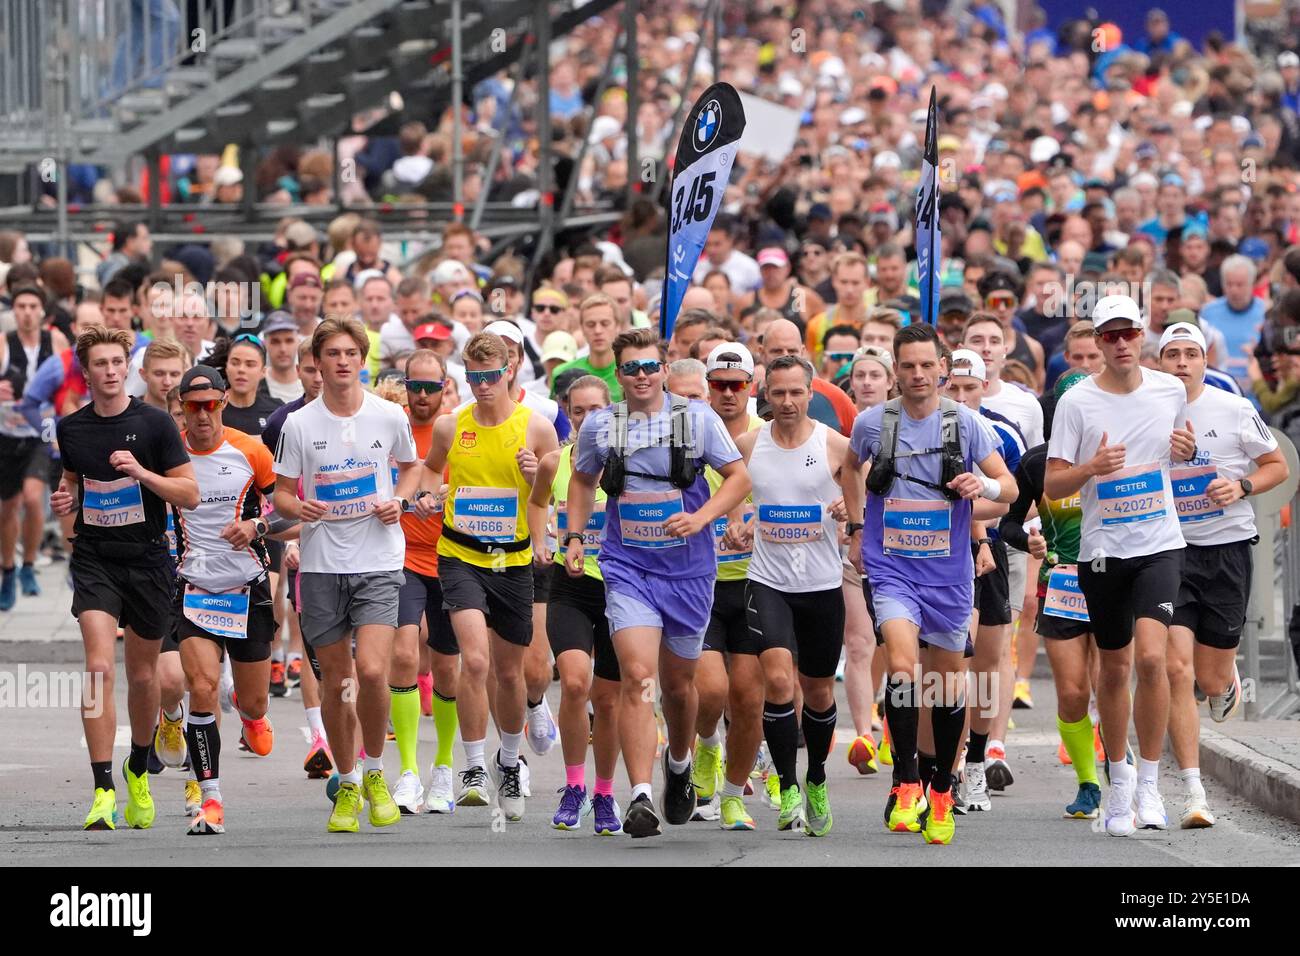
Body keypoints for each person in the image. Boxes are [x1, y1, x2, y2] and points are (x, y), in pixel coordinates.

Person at [566, 328, 750, 837]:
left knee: (678, 686)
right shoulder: (602, 426)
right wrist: (576, 537)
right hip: (629, 569)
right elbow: (582, 481)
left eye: (650, 366)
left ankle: (680, 763)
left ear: (664, 370)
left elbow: (739, 477)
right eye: (631, 368)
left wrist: (704, 517)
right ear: (618, 374)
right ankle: (641, 796)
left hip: (689, 571)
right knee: (638, 675)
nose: (642, 376)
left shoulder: (697, 418)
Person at [842, 322, 1016, 845]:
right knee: (900, 666)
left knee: (945, 684)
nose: (917, 374)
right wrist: (855, 527)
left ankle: (943, 786)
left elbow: (1006, 488)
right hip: (891, 566)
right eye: (908, 366)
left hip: (948, 573)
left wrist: (978, 484)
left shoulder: (965, 424)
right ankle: (907, 778)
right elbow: (850, 468)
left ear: (943, 368)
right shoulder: (874, 423)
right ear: (896, 370)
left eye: (926, 365)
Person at [1044, 294, 1197, 837]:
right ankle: (1120, 780)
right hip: (1103, 550)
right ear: (1099, 344)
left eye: (1128, 333)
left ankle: (1152, 783)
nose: (1121, 344)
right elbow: (1053, 482)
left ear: (1142, 335)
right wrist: (1091, 467)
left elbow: (1179, 450)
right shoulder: (1078, 402)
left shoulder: (1170, 388)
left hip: (1160, 541)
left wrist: (1184, 450)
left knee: (1152, 659)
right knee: (1114, 669)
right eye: (1109, 337)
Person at [272, 316, 422, 833]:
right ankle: (349, 780)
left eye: (350, 353)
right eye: (331, 354)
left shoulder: (388, 416)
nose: (341, 362)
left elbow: (414, 466)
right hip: (321, 566)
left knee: (375, 673)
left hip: (379, 559)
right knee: (338, 683)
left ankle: (377, 771)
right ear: (317, 363)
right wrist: (301, 508)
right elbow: (282, 493)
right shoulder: (299, 424)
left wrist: (398, 501)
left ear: (362, 359)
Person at [51, 325, 199, 830]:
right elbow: (70, 486)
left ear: (126, 368)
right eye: (100, 364)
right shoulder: (71, 428)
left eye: (117, 363)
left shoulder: (156, 424)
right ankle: (102, 788)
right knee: (98, 667)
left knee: (143, 675)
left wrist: (142, 474)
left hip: (148, 560)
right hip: (95, 559)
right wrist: (64, 504)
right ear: (87, 371)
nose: (110, 372)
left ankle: (138, 765)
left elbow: (189, 494)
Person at [413, 331, 559, 821]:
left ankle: (508, 759)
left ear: (510, 370)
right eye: (472, 377)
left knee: (511, 671)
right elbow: (430, 471)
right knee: (474, 662)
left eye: (490, 376)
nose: (481, 386)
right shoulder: (451, 426)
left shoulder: (536, 428)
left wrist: (535, 474)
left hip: (512, 561)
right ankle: (474, 766)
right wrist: (429, 496)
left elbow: (543, 498)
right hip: (460, 555)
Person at [1158, 321, 1288, 828]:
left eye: (1192, 353)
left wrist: (1242, 487)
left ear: (1206, 360)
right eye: (1173, 355)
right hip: (1169, 550)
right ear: (1160, 361)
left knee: (1208, 679)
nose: (1183, 363)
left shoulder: (1232, 407)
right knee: (1175, 670)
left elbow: (1277, 465)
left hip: (1227, 551)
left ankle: (1224, 681)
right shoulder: (1147, 409)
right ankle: (1194, 792)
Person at [726, 355, 850, 835]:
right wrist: (736, 525)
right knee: (777, 682)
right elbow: (730, 491)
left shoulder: (834, 444)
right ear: (766, 395)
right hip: (767, 581)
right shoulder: (748, 444)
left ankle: (816, 777)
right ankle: (789, 786)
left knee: (817, 692)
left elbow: (863, 489)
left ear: (810, 392)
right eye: (777, 393)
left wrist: (847, 507)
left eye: (796, 392)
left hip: (821, 585)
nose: (787, 402)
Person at [171, 365, 286, 834]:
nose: (202, 416)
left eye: (211, 405)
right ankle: (211, 800)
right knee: (200, 687)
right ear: (181, 408)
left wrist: (256, 527)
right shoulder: (170, 451)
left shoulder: (250, 450)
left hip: (247, 584)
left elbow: (287, 510)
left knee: (255, 705)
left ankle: (250, 713)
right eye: (192, 407)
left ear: (222, 402)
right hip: (193, 585)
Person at [999, 370, 1107, 821]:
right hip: (1061, 585)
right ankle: (1087, 782)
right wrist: (1031, 543)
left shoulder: (1117, 452)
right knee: (1071, 690)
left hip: (1113, 577)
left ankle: (1119, 771)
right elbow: (1006, 523)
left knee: (1111, 683)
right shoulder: (1037, 462)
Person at [526, 375, 624, 834]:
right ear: (567, 412)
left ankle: (605, 793)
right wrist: (541, 540)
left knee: (608, 700)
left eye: (595, 411)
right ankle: (574, 786)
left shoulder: (628, 464)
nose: (586, 419)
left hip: (622, 590)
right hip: (571, 585)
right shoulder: (555, 462)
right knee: (574, 682)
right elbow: (538, 502)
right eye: (578, 411)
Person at [942, 349, 1023, 810]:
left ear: (984, 385)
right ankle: (945, 771)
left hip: (987, 551)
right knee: (953, 664)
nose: (960, 395)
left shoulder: (999, 432)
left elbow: (1017, 500)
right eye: (952, 387)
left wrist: (974, 513)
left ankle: (975, 766)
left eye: (969, 387)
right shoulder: (928, 426)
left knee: (987, 666)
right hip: (940, 554)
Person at [693, 343, 765, 829]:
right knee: (711, 690)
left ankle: (734, 795)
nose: (726, 393)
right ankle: (705, 747)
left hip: (758, 582)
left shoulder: (770, 436)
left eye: (736, 384)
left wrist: (755, 519)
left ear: (750, 388)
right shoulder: (692, 434)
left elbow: (807, 494)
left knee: (748, 697)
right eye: (717, 384)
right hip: (699, 582)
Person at [392, 349, 457, 814]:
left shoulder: (457, 431)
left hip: (453, 558)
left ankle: (445, 768)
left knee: (450, 667)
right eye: (414, 385)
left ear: (445, 387)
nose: (421, 394)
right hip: (401, 556)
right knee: (401, 652)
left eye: (431, 387)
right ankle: (409, 771)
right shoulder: (390, 427)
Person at [551, 293, 622, 401]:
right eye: (590, 324)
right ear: (582, 329)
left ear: (617, 326)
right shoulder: (562, 373)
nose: (598, 331)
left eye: (605, 323)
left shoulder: (629, 373)